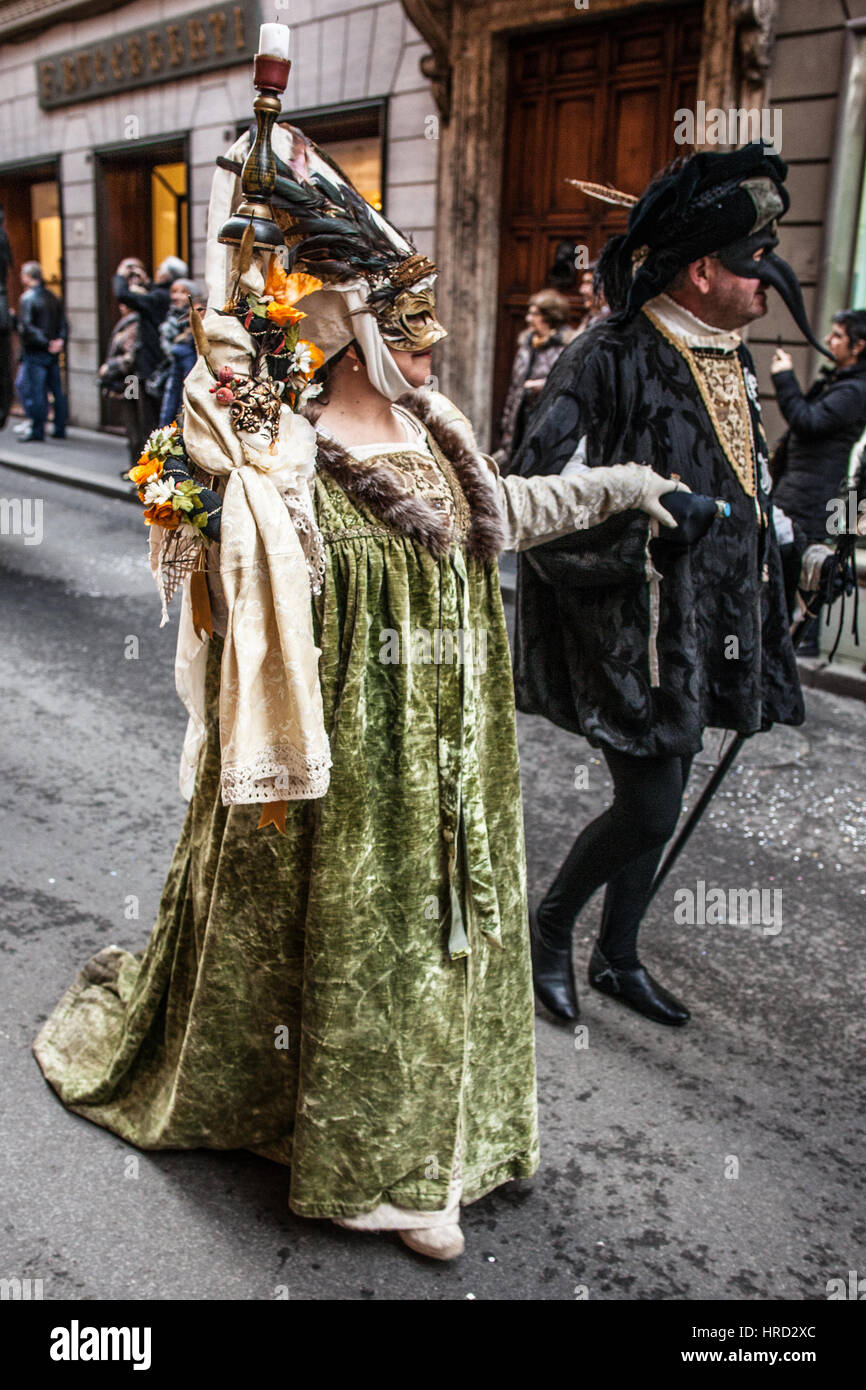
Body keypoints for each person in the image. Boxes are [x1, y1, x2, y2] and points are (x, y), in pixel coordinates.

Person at [33, 117, 678, 1262]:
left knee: (444, 935)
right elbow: (241, 597)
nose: (434, 350)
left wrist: (625, 485)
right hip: (354, 762)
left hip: (454, 747)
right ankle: (368, 1172)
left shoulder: (438, 432)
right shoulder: (284, 458)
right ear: (357, 335)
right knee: (360, 943)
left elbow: (506, 518)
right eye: (411, 330)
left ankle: (439, 1141)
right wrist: (217, 469)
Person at [512, 142, 832, 1029]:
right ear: (700, 270)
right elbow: (530, 498)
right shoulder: (605, 355)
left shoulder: (726, 353)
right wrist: (643, 530)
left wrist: (798, 553)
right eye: (752, 263)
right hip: (632, 626)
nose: (767, 280)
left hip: (711, 627)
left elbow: (745, 487)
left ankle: (618, 956)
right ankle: (549, 931)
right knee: (649, 809)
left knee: (665, 795)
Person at [770, 308, 866, 653]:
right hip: (801, 490)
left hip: (812, 497)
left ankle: (797, 643)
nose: (829, 340)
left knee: (800, 571)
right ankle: (790, 641)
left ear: (858, 346)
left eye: (838, 335)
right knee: (789, 571)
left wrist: (784, 378)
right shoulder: (842, 382)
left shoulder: (855, 390)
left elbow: (808, 421)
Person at [112, 254, 188, 460]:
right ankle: (135, 463)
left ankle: (141, 464)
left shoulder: (152, 302)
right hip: (132, 376)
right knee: (133, 414)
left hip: (138, 374)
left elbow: (123, 294)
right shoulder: (147, 304)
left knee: (140, 419)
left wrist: (121, 275)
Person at [496, 289, 575, 470]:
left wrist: (540, 386)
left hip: (544, 419)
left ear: (550, 316)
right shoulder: (526, 345)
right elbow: (514, 387)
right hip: (520, 418)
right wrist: (507, 422)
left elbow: (566, 385)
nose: (528, 319)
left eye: (534, 314)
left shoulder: (564, 348)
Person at [16, 260, 67, 443]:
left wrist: (46, 343)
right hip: (51, 351)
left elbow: (27, 327)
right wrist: (59, 341)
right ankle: (60, 428)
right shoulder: (53, 296)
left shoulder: (27, 298)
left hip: (37, 352)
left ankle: (38, 430)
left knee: (37, 392)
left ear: (29, 277)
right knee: (56, 391)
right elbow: (63, 323)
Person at [158, 278, 207, 426]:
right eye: (174, 292)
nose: (177, 296)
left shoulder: (196, 312)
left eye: (183, 292)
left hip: (189, 369)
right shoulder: (172, 316)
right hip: (171, 371)